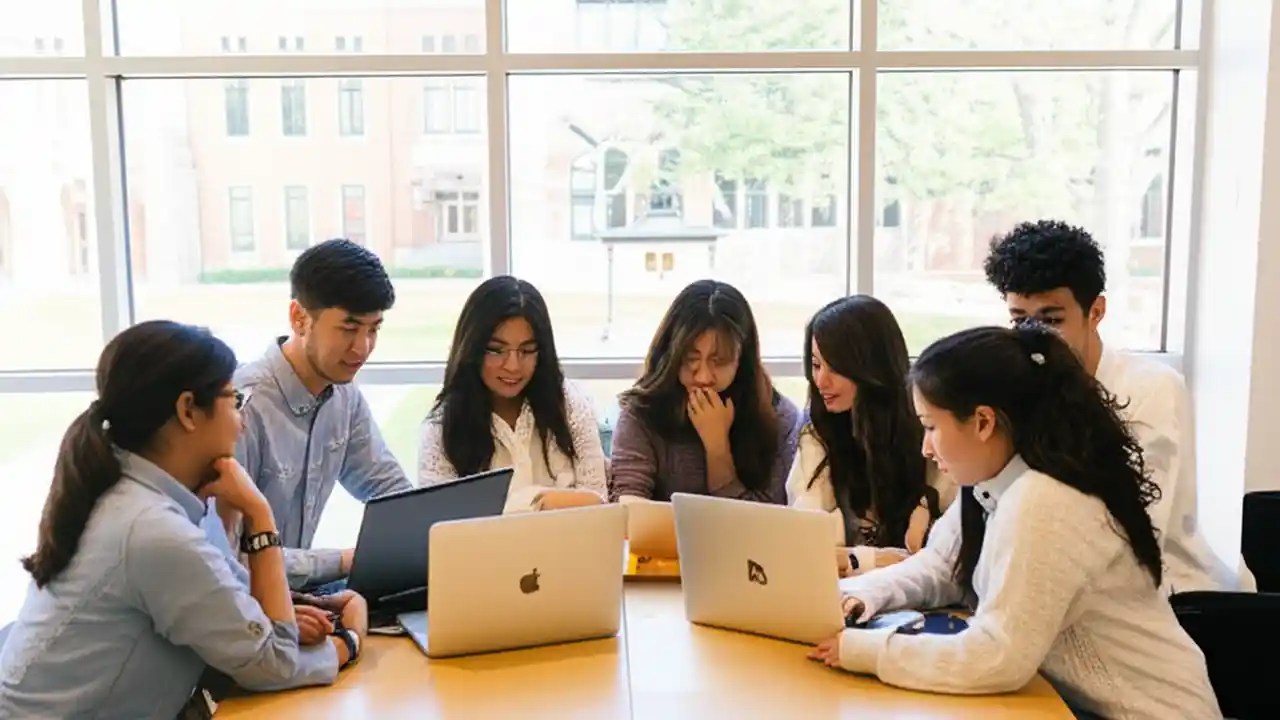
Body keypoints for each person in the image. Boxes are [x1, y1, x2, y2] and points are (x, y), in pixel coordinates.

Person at [808, 324, 1221, 720]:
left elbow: (997, 656)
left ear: (983, 422)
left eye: (931, 427)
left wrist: (864, 651)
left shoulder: (1046, 500)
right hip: (1070, 704)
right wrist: (858, 595)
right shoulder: (993, 480)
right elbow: (942, 567)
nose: (925, 448)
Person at [0, 321, 367, 718]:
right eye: (235, 400)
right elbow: (274, 663)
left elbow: (234, 597)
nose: (242, 420)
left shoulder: (151, 495)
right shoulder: (153, 529)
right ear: (188, 410)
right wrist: (348, 640)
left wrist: (287, 611)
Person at [983, 219, 1249, 593]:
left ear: (1096, 311)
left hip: (1174, 595)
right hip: (1068, 587)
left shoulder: (1151, 389)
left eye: (1051, 320)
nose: (1033, 338)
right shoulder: (1020, 387)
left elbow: (1135, 531)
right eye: (1019, 320)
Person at [235, 239, 411, 591]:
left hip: (298, 595)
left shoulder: (344, 395)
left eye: (374, 329)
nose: (363, 348)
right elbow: (230, 558)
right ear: (299, 318)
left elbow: (390, 492)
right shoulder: (244, 409)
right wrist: (345, 561)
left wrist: (431, 532)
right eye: (349, 329)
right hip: (245, 601)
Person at [787, 296, 955, 577]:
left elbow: (944, 554)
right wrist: (870, 559)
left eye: (835, 367)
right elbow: (805, 543)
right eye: (816, 365)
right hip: (842, 591)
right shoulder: (819, 432)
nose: (821, 381)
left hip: (920, 594)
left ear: (871, 367)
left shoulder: (928, 430)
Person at [418, 276, 607, 512]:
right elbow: (439, 521)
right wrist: (541, 502)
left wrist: (511, 508)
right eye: (496, 350)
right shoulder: (442, 427)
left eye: (527, 351)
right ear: (472, 348)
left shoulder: (570, 405)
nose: (513, 366)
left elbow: (600, 505)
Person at [608, 279, 801, 504]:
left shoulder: (778, 416)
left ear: (741, 361)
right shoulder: (642, 411)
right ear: (671, 355)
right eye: (691, 359)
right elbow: (628, 504)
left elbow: (771, 517)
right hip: (658, 530)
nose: (703, 377)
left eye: (719, 361)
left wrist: (718, 448)